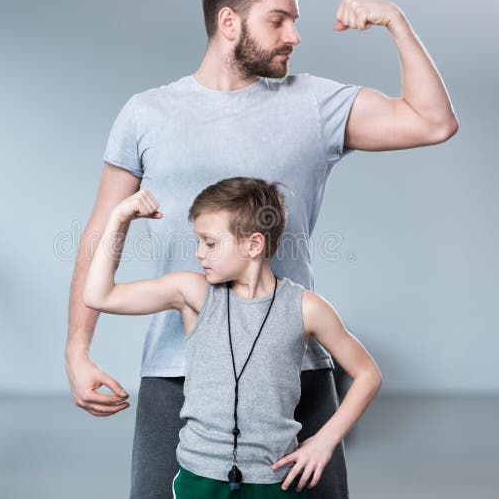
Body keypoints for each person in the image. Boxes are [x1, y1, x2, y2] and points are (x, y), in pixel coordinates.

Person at [65, 0, 458, 497]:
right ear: (229, 22)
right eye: (278, 21)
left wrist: (396, 21)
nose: (294, 36)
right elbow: (99, 229)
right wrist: (78, 349)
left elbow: (432, 122)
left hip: (292, 369)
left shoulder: (314, 105)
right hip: (176, 371)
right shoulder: (147, 114)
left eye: (293, 21)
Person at [83, 178, 382, 497]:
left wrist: (325, 442)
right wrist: (117, 218)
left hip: (274, 479)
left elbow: (368, 374)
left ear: (253, 245)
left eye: (210, 243)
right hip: (199, 476)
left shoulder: (306, 308)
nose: (199, 253)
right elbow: (99, 295)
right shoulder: (193, 293)